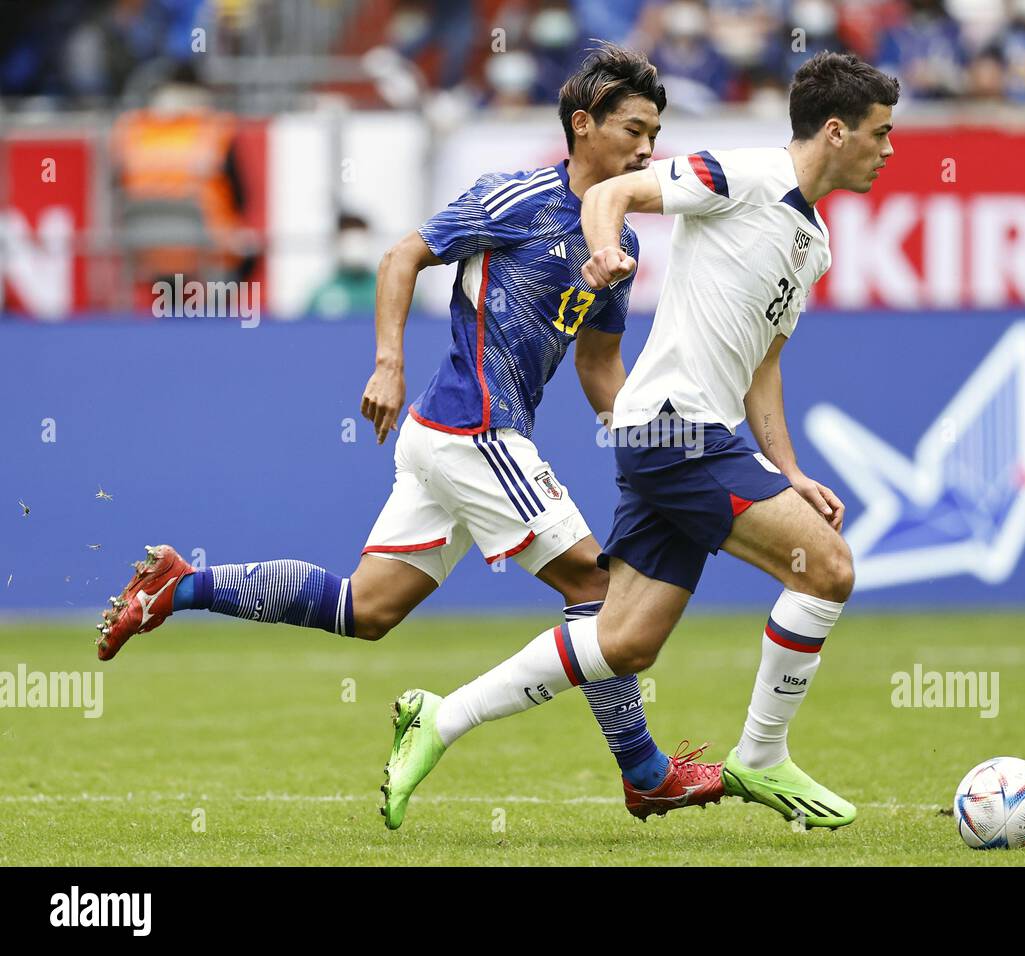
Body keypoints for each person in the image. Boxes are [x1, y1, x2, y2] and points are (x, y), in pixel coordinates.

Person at [94, 45, 725, 828]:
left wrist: (642, 445)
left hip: (451, 438)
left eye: (655, 131)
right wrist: (388, 362)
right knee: (598, 594)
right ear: (582, 124)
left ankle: (180, 585)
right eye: (633, 128)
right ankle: (645, 773)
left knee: (366, 610)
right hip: (471, 428)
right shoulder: (517, 197)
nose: (647, 148)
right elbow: (404, 255)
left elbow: (600, 363)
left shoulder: (620, 245)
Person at [383, 51, 900, 830]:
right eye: (881, 133)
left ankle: (438, 719)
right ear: (837, 131)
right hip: (672, 426)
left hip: (688, 431)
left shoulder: (813, 241)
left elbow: (764, 371)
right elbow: (620, 192)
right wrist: (602, 248)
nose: (889, 150)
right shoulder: (742, 174)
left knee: (622, 643)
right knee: (827, 568)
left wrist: (785, 469)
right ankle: (761, 756)